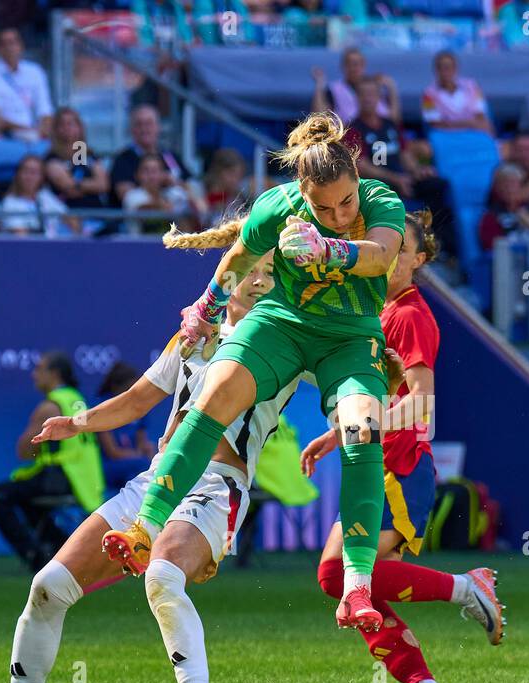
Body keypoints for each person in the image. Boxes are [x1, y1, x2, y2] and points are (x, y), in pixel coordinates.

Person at [0, 255, 291, 683]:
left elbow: (349, 375)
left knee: (161, 578)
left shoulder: (287, 343)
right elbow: (138, 399)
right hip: (155, 481)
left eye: (273, 272)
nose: (260, 280)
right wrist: (75, 423)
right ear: (228, 276)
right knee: (48, 586)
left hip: (216, 486)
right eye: (252, 269)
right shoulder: (192, 337)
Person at [100, 111, 404, 633]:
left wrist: (329, 248)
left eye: (345, 203)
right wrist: (205, 309)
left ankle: (357, 587)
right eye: (323, 207)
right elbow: (237, 259)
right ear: (301, 194)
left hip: (352, 337)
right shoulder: (276, 206)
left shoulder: (381, 201)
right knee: (213, 395)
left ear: (357, 179)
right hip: (281, 324)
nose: (337, 213)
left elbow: (380, 257)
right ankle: (144, 527)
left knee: (362, 431)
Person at [301, 209, 505, 683]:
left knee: (347, 577)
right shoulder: (374, 310)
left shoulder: (410, 315)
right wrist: (336, 434)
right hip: (376, 464)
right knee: (337, 578)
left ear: (417, 259)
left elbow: (420, 403)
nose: (387, 254)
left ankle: (465, 590)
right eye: (379, 244)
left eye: (398, 249)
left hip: (400, 469)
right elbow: (377, 395)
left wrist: (360, 430)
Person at [0, 351, 106, 572]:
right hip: (85, 479)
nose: (33, 375)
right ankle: (59, 551)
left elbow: (24, 451)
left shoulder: (50, 407)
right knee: (28, 500)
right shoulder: (76, 399)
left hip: (60, 477)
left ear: (54, 373)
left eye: (39, 369)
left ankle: (35, 557)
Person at [345, 76, 457, 263]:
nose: (368, 98)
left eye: (372, 94)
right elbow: (361, 166)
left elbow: (404, 154)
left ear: (378, 97)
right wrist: (397, 179)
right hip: (376, 184)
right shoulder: (353, 130)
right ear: (356, 98)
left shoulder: (390, 125)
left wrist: (417, 170)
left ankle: (443, 248)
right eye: (363, 94)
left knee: (439, 185)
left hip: (402, 178)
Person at [0, 27, 54, 141]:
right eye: (4, 44)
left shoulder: (35, 71)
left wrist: (43, 130)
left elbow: (45, 109)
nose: (9, 48)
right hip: (4, 136)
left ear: (21, 45)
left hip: (36, 135)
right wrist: (28, 129)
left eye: (13, 42)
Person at [93, 361, 156, 489]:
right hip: (107, 466)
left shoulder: (139, 405)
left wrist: (148, 451)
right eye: (129, 388)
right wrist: (139, 457)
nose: (134, 393)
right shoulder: (102, 408)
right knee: (142, 466)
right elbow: (112, 452)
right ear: (116, 388)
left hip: (133, 462)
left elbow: (142, 443)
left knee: (153, 465)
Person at [311, 47, 399, 127]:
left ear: (364, 66)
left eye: (357, 64)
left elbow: (393, 121)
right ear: (343, 66)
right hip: (348, 137)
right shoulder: (334, 90)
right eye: (350, 64)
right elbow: (319, 119)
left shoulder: (374, 86)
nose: (354, 68)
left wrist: (392, 89)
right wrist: (319, 84)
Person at [44, 107, 109, 212]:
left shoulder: (87, 154)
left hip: (98, 213)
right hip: (69, 216)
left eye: (71, 123)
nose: (67, 127)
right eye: (62, 124)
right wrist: (92, 185)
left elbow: (103, 184)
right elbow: (68, 188)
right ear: (56, 129)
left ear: (80, 127)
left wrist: (77, 185)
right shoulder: (52, 158)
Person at [0, 154, 78, 237]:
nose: (29, 177)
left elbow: (70, 218)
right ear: (18, 174)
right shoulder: (10, 203)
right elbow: (21, 237)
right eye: (26, 171)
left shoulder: (45, 196)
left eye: (34, 172)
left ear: (42, 177)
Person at [420, 51, 493, 135]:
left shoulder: (472, 86)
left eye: (449, 67)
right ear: (436, 70)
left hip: (473, 133)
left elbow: (480, 114)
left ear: (455, 68)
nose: (446, 71)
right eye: (442, 67)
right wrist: (467, 124)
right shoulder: (428, 94)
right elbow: (434, 123)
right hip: (446, 136)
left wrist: (473, 125)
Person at [122, 152, 194, 235]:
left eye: (155, 171)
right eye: (146, 171)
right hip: (139, 245)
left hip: (170, 245)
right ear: (137, 175)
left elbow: (190, 211)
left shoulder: (173, 193)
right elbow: (144, 209)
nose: (151, 176)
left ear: (164, 174)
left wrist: (176, 184)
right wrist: (164, 205)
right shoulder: (132, 195)